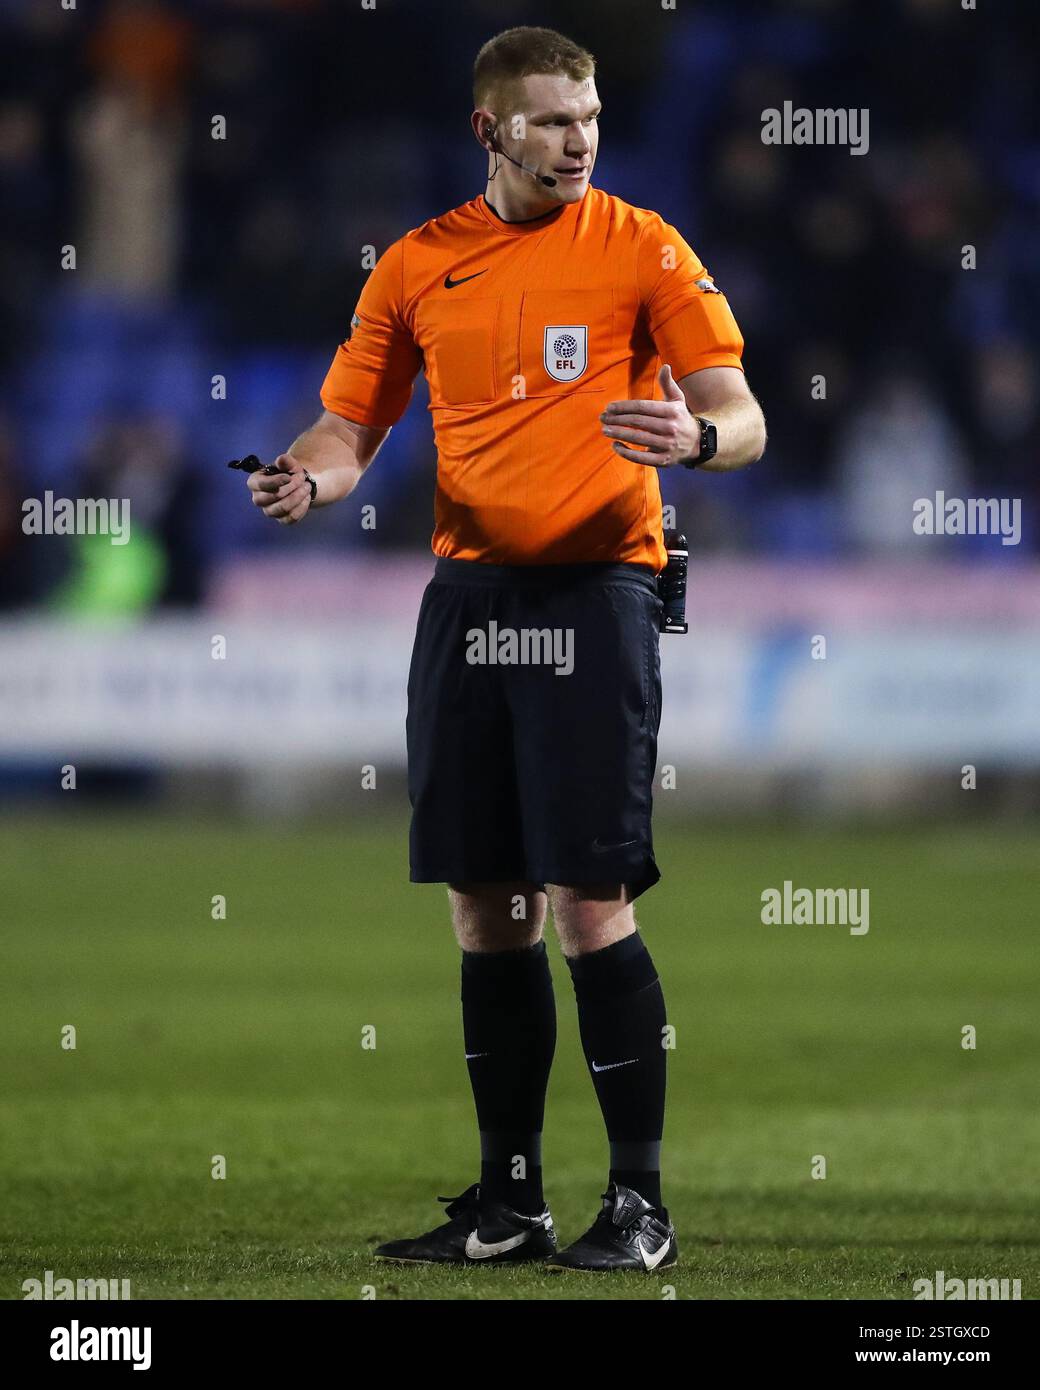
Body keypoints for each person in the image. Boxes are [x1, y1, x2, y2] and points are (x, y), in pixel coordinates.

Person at [245, 25, 765, 1273]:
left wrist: (692, 445)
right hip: (468, 595)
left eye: (586, 116)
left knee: (588, 902)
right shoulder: (418, 264)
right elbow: (345, 423)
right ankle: (509, 1200)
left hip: (596, 592)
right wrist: (307, 484)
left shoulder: (642, 246)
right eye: (548, 120)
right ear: (489, 131)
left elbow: (739, 415)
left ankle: (636, 1205)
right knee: (486, 906)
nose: (577, 138)